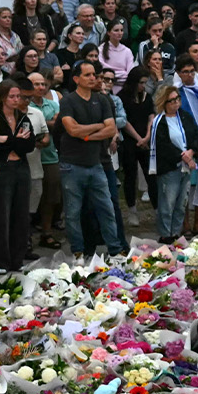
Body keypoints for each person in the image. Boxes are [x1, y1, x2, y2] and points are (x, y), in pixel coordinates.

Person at [56, 61, 127, 258]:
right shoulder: (68, 101)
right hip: (71, 164)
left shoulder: (102, 100)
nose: (93, 78)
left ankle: (115, 250)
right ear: (76, 78)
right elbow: (72, 129)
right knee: (73, 212)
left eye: (94, 74)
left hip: (96, 163)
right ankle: (78, 251)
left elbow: (111, 129)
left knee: (107, 208)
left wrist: (86, 134)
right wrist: (97, 127)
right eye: (87, 75)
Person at [0, 80, 36, 274]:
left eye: (18, 96)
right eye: (12, 96)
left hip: (21, 167)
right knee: (1, 214)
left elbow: (29, 145)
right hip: (1, 168)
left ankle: (17, 258)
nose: (16, 100)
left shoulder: (22, 117)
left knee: (21, 214)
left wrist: (7, 140)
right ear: (3, 97)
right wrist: (14, 140)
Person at [146, 82, 198, 242]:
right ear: (164, 103)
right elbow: (163, 145)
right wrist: (183, 156)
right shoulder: (160, 121)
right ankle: (165, 234)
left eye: (177, 99)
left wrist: (191, 151)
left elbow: (194, 136)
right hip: (170, 167)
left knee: (181, 203)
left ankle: (176, 232)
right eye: (172, 100)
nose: (176, 102)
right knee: (168, 203)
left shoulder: (184, 116)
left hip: (186, 166)